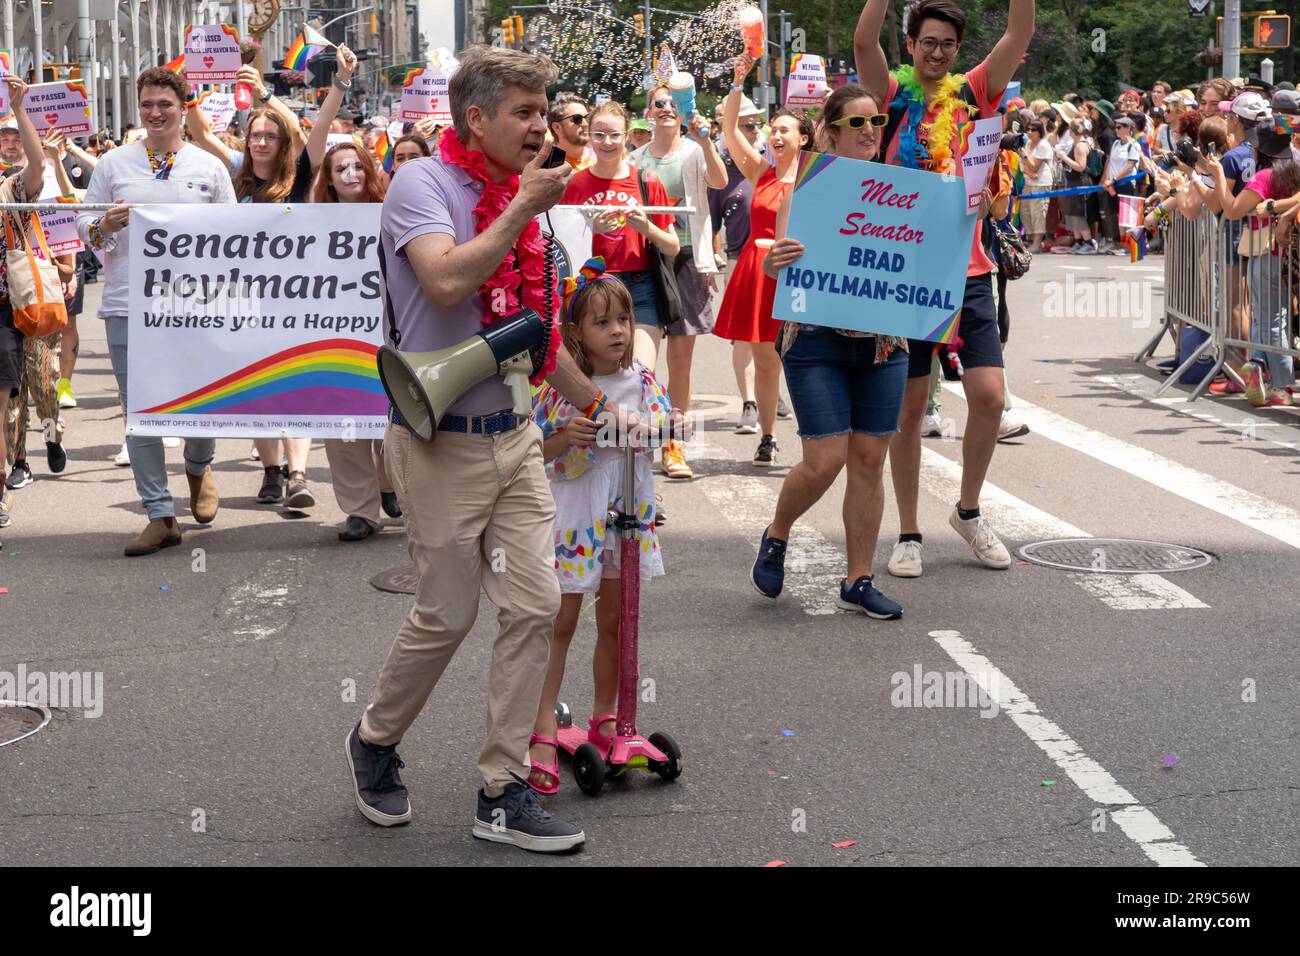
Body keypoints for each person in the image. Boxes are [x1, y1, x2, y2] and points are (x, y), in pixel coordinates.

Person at [345, 45, 647, 853]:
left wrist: (612, 409)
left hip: (517, 440)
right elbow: (444, 283)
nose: (540, 127)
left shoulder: (522, 197)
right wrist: (521, 210)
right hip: (437, 443)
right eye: (524, 113)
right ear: (474, 119)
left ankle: (502, 789)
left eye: (544, 112)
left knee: (536, 607)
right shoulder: (422, 185)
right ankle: (374, 740)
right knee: (447, 615)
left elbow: (538, 341)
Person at [855, 0, 1033, 580]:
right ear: (911, 45)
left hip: (969, 269)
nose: (937, 52)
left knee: (989, 398)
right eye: (927, 42)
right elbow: (863, 44)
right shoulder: (891, 99)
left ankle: (968, 510)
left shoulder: (974, 93)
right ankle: (909, 532)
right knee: (908, 409)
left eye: (947, 45)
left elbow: (1018, 31)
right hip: (906, 275)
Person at [752, 84, 924, 619]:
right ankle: (777, 533)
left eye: (876, 121)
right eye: (857, 123)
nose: (870, 130)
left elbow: (924, 259)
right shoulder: (806, 185)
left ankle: (858, 579)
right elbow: (772, 267)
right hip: (817, 341)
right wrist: (774, 260)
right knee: (824, 461)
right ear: (830, 131)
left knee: (870, 460)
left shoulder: (907, 189)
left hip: (884, 344)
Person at [75, 67, 237, 557]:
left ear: (183, 108)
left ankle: (198, 464)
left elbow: (236, 236)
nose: (155, 113)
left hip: (194, 307)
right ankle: (159, 513)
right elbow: (85, 226)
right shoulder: (113, 165)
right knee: (140, 413)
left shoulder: (208, 168)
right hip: (129, 304)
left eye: (164, 103)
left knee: (200, 403)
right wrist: (102, 224)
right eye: (146, 104)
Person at [525, 261, 668, 794]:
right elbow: (534, 449)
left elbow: (667, 432)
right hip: (576, 519)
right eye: (602, 322)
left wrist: (649, 431)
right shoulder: (561, 388)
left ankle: (606, 716)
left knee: (617, 621)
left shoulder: (643, 382)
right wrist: (567, 436)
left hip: (626, 523)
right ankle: (541, 726)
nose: (617, 331)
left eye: (624, 321)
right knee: (558, 623)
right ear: (575, 334)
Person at [712, 53, 811, 467]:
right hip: (758, 271)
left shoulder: (815, 177)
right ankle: (769, 436)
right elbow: (729, 129)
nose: (776, 135)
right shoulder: (760, 172)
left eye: (785, 129)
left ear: (803, 138)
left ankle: (815, 437)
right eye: (773, 129)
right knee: (765, 362)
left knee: (806, 361)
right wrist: (739, 80)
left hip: (799, 276)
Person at [630, 82, 727, 480]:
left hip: (686, 258)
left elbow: (719, 182)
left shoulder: (693, 151)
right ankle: (636, 441)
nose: (666, 109)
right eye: (659, 104)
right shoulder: (634, 160)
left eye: (673, 103)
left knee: (681, 362)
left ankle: (675, 444)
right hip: (646, 258)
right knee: (638, 360)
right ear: (649, 113)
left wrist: (706, 142)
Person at [312, 140, 400, 540]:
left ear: (368, 169)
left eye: (356, 167)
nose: (350, 174)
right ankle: (361, 511)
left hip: (389, 330)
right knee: (343, 423)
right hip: (334, 334)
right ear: (328, 181)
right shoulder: (309, 223)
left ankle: (391, 485)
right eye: (339, 169)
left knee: (391, 417)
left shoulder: (394, 214)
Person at [1203, 123, 1300, 407]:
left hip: (1266, 251)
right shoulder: (1295, 173)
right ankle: (1259, 367)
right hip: (1288, 255)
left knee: (1268, 319)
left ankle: (1282, 386)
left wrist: (1219, 175)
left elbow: (1232, 210)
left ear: (1260, 150)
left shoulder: (1264, 176)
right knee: (1271, 316)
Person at [5, 128, 79, 491]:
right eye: (3, 136)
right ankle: (19, 461)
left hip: (38, 291)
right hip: (8, 302)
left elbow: (65, 223)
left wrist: (68, 267)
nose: (10, 142)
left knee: (45, 379)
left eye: (16, 136)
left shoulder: (38, 178)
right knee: (13, 388)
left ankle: (52, 433)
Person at [0, 76, 50, 540]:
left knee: (5, 403)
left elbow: (37, 163)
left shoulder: (11, 191)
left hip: (4, 309)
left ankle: (1, 486)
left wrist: (20, 109)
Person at [708, 95, 760, 432]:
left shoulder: (775, 162)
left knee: (775, 338)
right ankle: (749, 404)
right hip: (740, 260)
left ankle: (770, 392)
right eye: (746, 125)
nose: (754, 131)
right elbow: (711, 223)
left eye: (757, 124)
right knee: (743, 337)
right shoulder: (721, 172)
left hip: (780, 262)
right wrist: (711, 261)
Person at [1019, 119, 1053, 251]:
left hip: (1041, 183)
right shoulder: (1027, 144)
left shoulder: (1043, 145)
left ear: (1040, 132)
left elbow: (1033, 167)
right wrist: (1028, 171)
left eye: (1033, 130)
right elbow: (1023, 167)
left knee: (1038, 213)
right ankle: (1033, 241)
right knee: (1025, 212)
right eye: (1028, 129)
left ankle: (1037, 243)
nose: (1029, 132)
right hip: (1028, 182)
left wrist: (1025, 158)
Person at [547, 92, 594, 170]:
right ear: (557, 127)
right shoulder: (546, 165)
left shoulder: (601, 158)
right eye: (577, 119)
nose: (585, 124)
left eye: (587, 117)